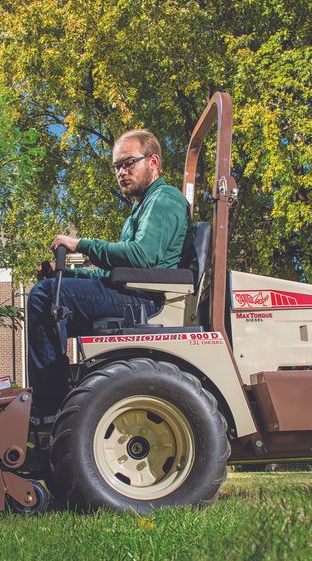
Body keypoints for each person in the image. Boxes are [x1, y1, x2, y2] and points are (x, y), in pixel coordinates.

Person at [27, 129, 190, 420]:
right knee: (51, 290)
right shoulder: (137, 212)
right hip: (131, 292)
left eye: (129, 163)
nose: (121, 172)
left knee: (43, 297)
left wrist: (80, 245)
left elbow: (143, 256)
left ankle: (50, 405)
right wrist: (64, 275)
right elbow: (113, 272)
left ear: (153, 162)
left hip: (148, 300)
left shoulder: (165, 199)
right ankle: (60, 388)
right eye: (117, 166)